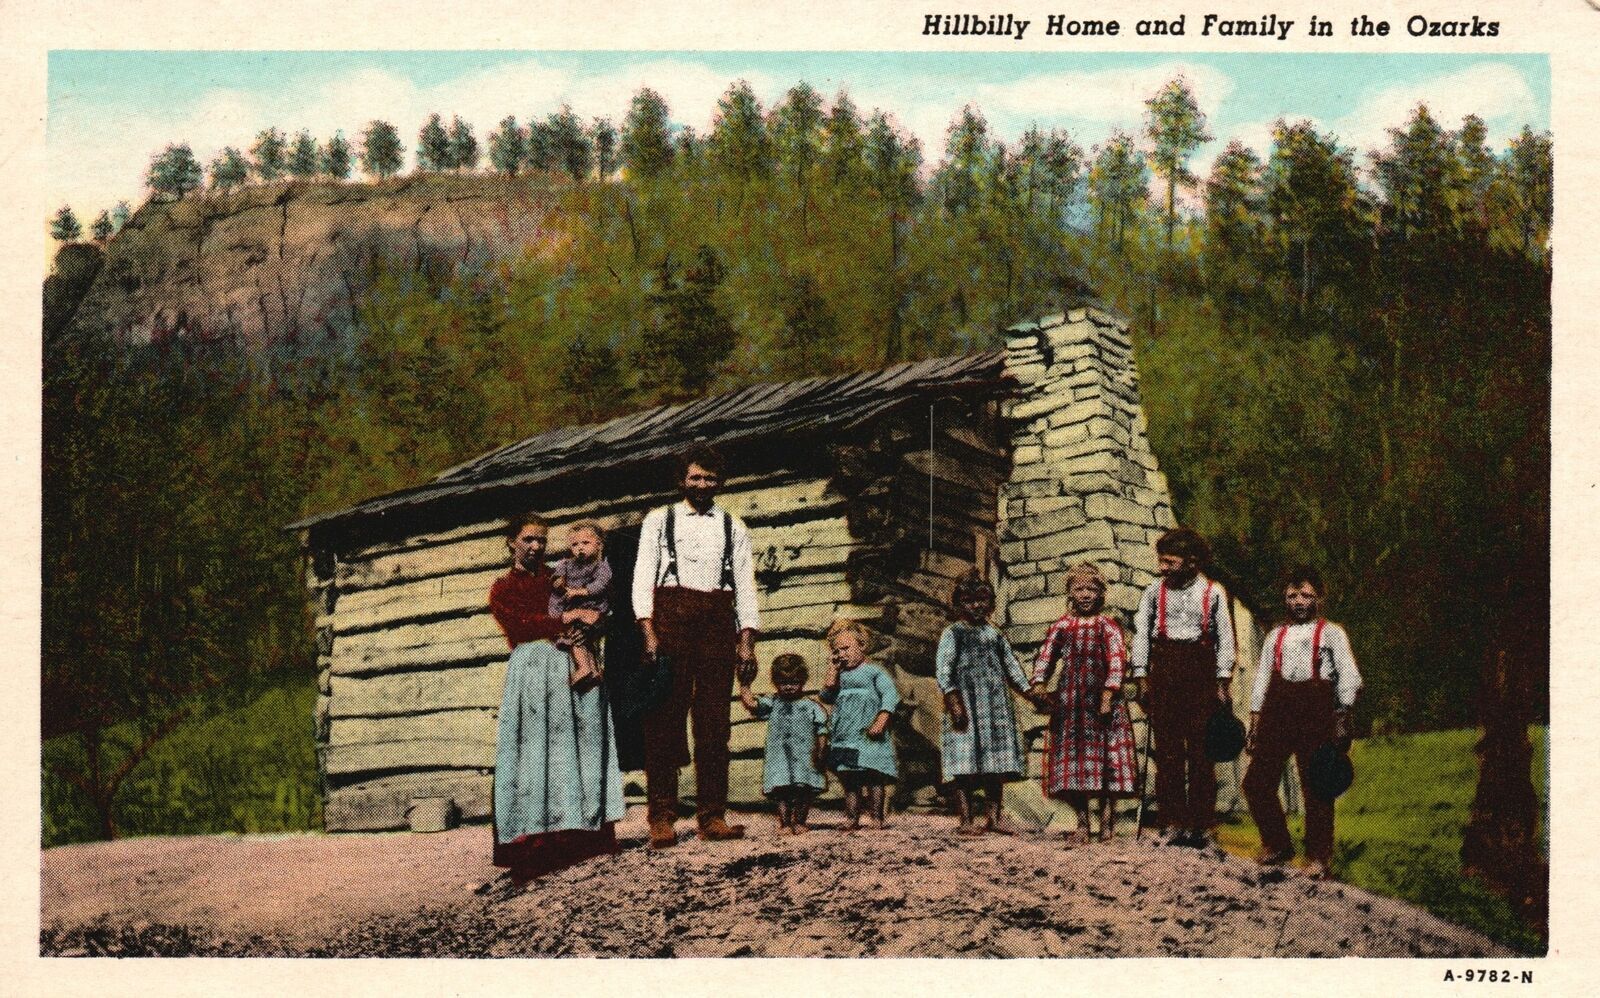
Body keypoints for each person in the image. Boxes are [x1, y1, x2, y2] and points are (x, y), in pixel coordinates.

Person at [631, 446, 760, 848]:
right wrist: (649, 632)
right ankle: (662, 816)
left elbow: (745, 587)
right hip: (671, 622)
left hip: (717, 625)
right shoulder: (660, 519)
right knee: (664, 721)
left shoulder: (732, 526)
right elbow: (643, 579)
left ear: (721, 483)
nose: (703, 485)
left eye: (710, 478)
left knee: (714, 723)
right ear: (682, 480)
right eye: (696, 477)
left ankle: (712, 815)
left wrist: (746, 641)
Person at [489, 512, 624, 886]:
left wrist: (590, 623)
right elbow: (520, 625)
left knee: (580, 742)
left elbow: (599, 603)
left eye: (542, 540)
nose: (536, 546)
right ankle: (535, 843)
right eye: (528, 539)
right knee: (535, 750)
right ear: (512, 542)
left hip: (572, 662)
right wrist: (565, 619)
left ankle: (583, 834)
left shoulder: (561, 577)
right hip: (534, 667)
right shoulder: (503, 587)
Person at [1242, 566, 1362, 880]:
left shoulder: (1331, 633)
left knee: (1317, 786)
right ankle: (1277, 844)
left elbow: (1349, 677)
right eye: (1292, 595)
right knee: (1256, 782)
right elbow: (1262, 681)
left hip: (1316, 714)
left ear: (1319, 598)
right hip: (1278, 713)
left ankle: (1318, 857)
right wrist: (1255, 722)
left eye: (1306, 595)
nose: (1298, 602)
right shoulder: (1275, 636)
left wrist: (1342, 716)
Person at [1127, 526, 1235, 847]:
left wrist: (1222, 681)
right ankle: (1172, 822)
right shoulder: (1153, 591)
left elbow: (1225, 639)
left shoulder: (1213, 592)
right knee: (1169, 752)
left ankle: (1202, 825)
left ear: (1191, 562)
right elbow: (1142, 636)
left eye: (1170, 562)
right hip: (1165, 670)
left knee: (1202, 752)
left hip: (1200, 672)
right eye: (1161, 561)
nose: (1162, 568)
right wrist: (1142, 677)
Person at [1029, 563, 1139, 844]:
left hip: (1103, 703)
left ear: (1101, 593)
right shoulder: (1062, 627)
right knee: (1076, 763)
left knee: (1108, 761)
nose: (1086, 594)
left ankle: (1107, 823)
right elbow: (1046, 657)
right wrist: (1039, 682)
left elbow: (1117, 661)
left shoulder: (1107, 626)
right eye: (1079, 589)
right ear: (1070, 592)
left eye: (1092, 589)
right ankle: (1082, 823)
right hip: (1072, 704)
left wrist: (1108, 694)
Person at [937, 574, 1032, 836]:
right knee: (963, 763)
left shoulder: (994, 634)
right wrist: (955, 704)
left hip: (994, 707)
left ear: (990, 603)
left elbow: (1011, 666)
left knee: (995, 764)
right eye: (969, 601)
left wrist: (1029, 691)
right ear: (959, 604)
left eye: (982, 600)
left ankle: (994, 817)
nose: (976, 606)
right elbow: (944, 672)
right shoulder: (953, 633)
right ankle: (966, 820)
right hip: (965, 705)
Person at [819, 619, 899, 830]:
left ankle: (876, 818)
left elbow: (890, 695)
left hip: (869, 734)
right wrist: (832, 671)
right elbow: (826, 696)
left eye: (846, 648)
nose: (842, 654)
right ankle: (852, 818)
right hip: (846, 735)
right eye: (837, 651)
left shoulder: (874, 673)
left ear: (862, 646)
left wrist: (881, 720)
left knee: (873, 777)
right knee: (849, 779)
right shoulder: (839, 676)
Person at [738, 653, 828, 834]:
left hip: (805, 758)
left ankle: (800, 821)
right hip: (780, 758)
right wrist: (745, 685)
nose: (788, 687)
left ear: (803, 681)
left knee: (804, 790)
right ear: (775, 682)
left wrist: (821, 749)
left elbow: (822, 729)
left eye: (794, 682)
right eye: (783, 682)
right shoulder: (773, 702)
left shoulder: (811, 706)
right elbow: (752, 705)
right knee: (781, 791)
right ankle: (785, 823)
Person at [548, 521, 611, 691]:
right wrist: (558, 581)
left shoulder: (601, 566)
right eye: (575, 544)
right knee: (584, 639)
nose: (580, 548)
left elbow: (601, 585)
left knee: (577, 637)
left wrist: (580, 591)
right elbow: (557, 576)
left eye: (585, 543)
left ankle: (583, 667)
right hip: (574, 609)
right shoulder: (566, 564)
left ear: (599, 545)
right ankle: (593, 670)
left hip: (593, 608)